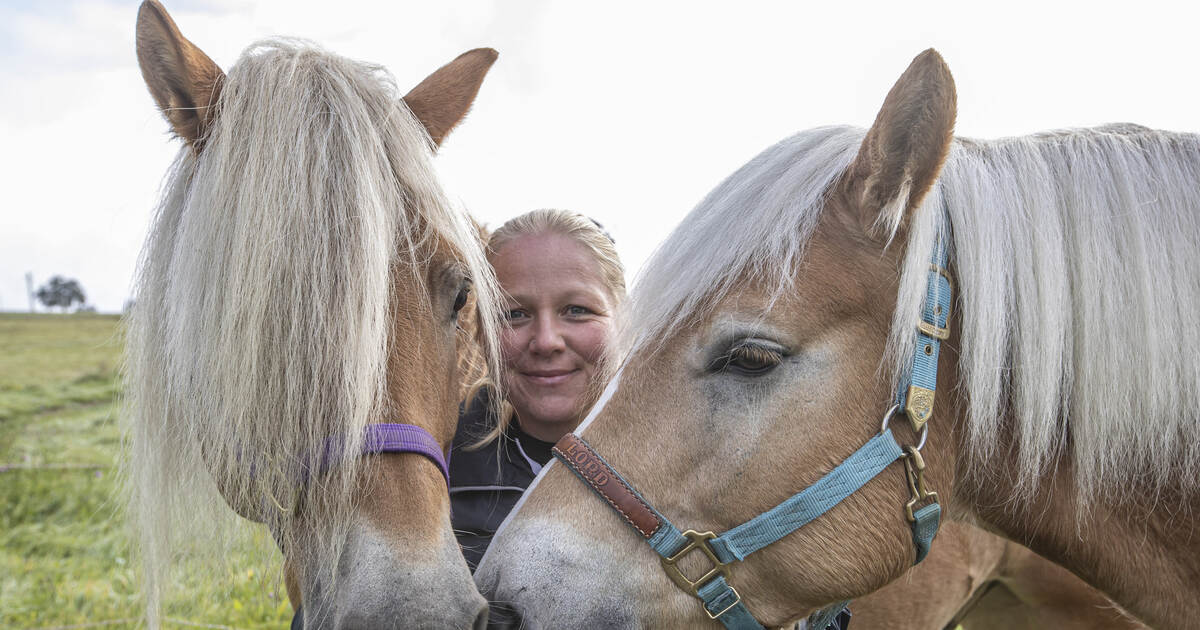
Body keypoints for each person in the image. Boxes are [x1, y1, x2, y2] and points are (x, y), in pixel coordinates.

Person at [449, 208, 625, 571]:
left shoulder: (697, 455)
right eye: (514, 314)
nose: (546, 342)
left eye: (576, 310)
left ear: (624, 318)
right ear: (480, 332)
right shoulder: (437, 460)